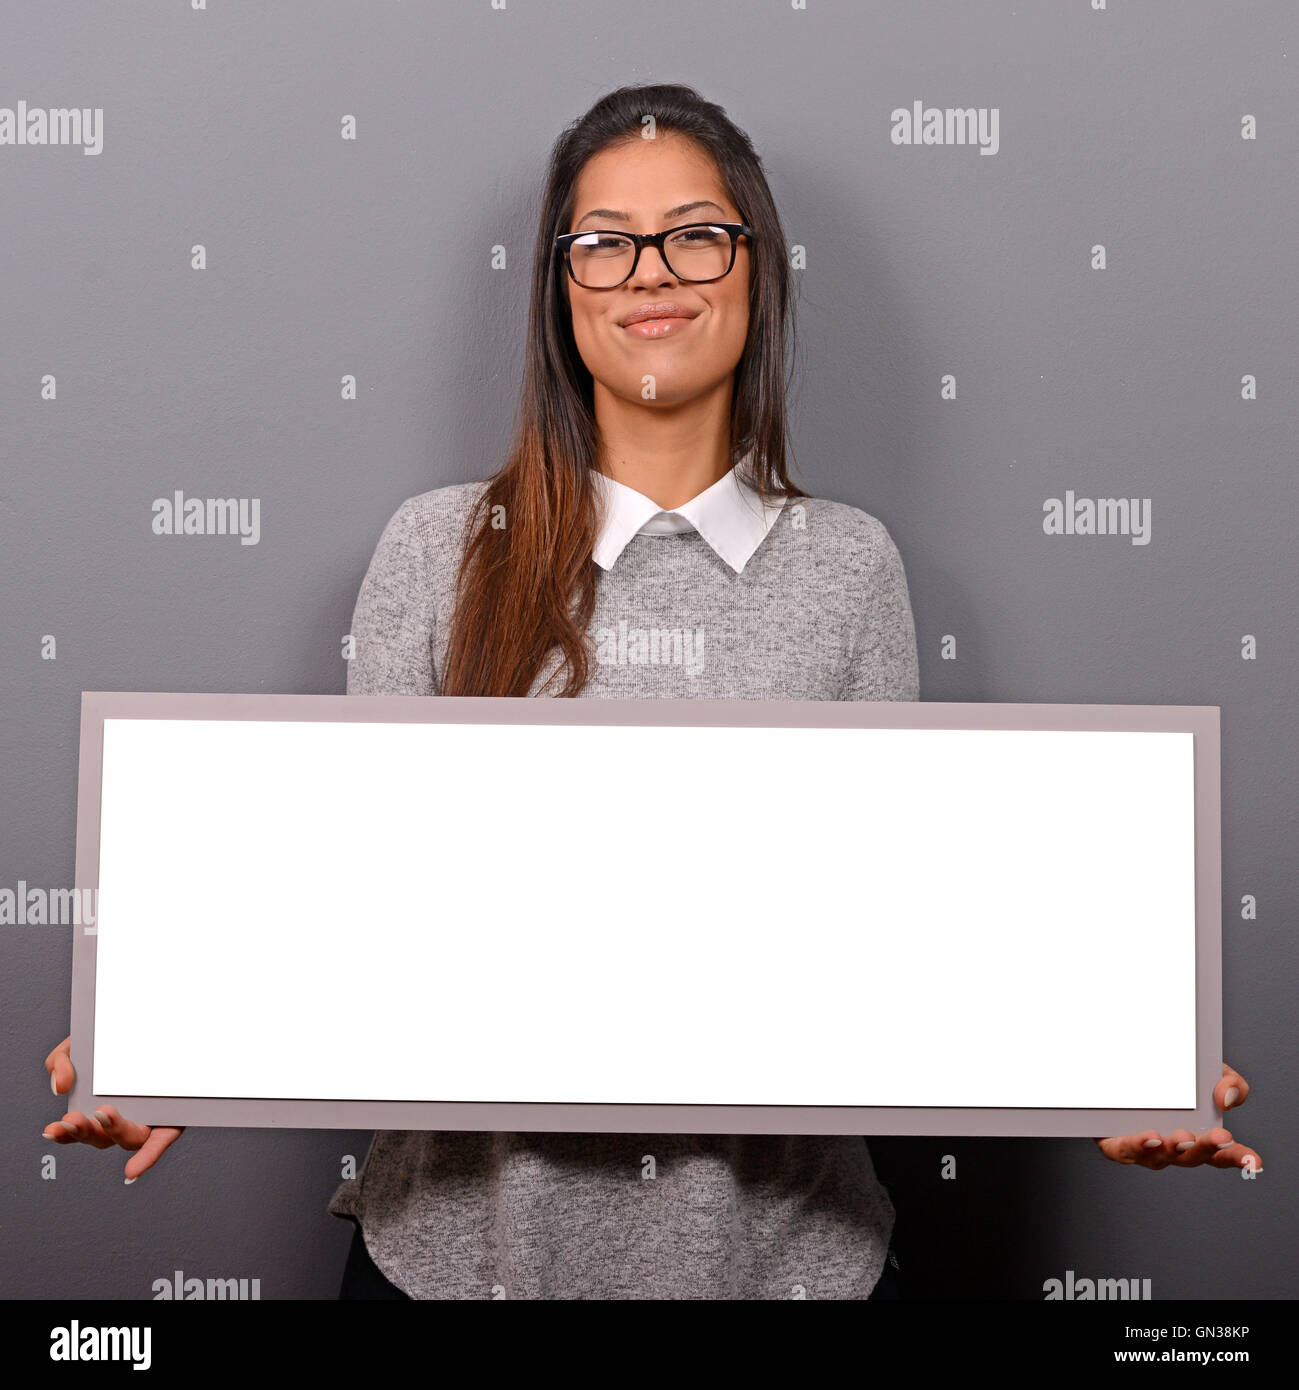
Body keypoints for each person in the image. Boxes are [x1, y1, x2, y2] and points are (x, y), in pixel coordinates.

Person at [42, 83, 1261, 1300]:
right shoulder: (439, 547)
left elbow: (897, 927)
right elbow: (351, 903)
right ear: (562, 287)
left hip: (782, 1266)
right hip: (459, 1269)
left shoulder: (849, 565)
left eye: (694, 232)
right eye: (605, 241)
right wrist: (171, 1042)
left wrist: (1110, 1073)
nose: (649, 272)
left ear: (754, 269)